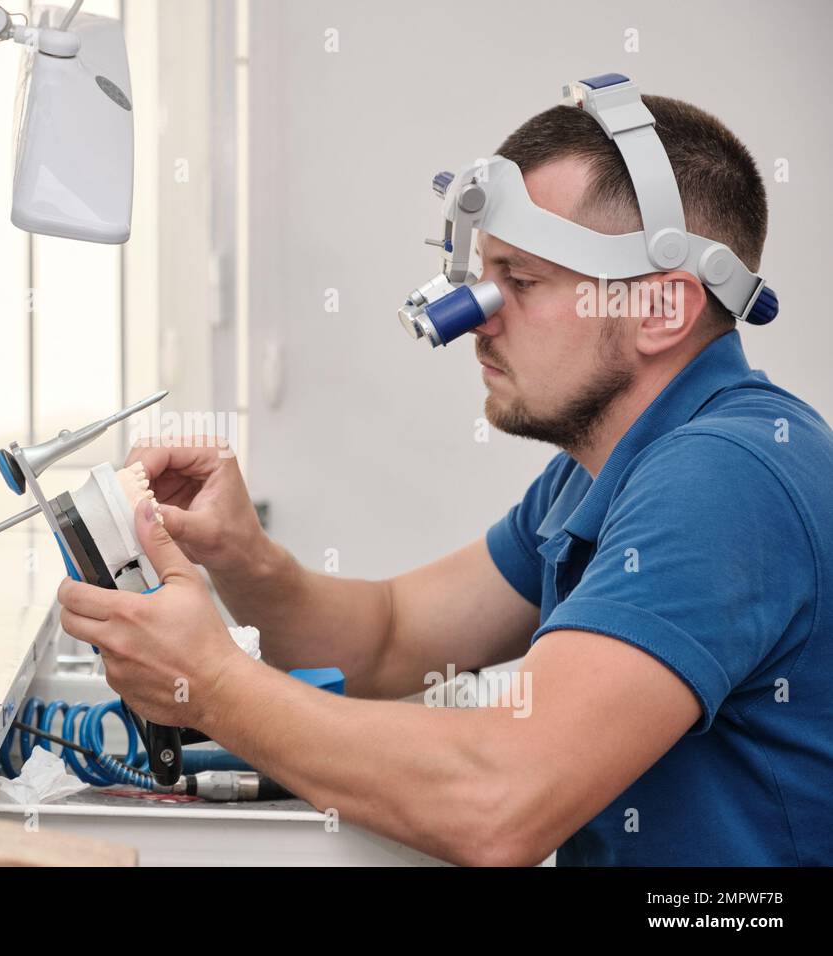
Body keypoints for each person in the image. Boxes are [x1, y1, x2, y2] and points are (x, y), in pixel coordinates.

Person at [55, 94, 833, 866]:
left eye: (519, 282)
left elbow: (499, 800)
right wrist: (243, 558)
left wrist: (214, 684)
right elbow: (390, 638)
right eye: (479, 277)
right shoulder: (599, 475)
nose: (472, 317)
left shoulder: (727, 479)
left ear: (662, 307)